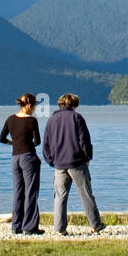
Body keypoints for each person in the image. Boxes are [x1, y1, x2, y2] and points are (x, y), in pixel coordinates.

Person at [41, 93, 104, 235]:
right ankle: (95, 224)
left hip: (59, 164)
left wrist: (51, 160)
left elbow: (46, 144)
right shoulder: (77, 118)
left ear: (60, 104)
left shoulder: (51, 120)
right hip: (77, 162)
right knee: (85, 194)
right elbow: (84, 141)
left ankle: (59, 228)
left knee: (59, 197)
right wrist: (88, 157)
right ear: (74, 105)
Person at [0, 93, 42, 235]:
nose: (34, 109)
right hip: (28, 157)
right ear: (29, 106)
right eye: (34, 106)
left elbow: (1, 138)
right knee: (31, 191)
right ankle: (29, 226)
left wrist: (14, 144)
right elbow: (37, 142)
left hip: (15, 158)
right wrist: (27, 144)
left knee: (18, 192)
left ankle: (16, 226)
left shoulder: (10, 119)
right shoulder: (32, 121)